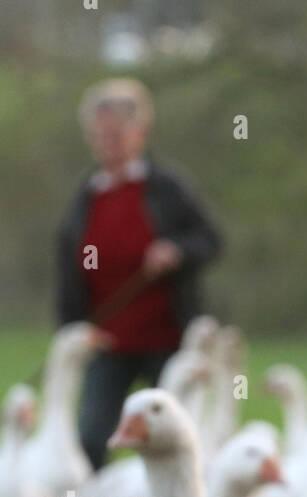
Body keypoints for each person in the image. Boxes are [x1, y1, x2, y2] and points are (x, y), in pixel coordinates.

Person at [56, 79, 223, 470]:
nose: (107, 142)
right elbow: (69, 270)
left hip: (166, 339)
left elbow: (211, 240)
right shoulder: (86, 197)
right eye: (100, 134)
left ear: (140, 132)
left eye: (116, 133)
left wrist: (176, 251)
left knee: (173, 439)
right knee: (92, 438)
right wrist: (71, 332)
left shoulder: (167, 188)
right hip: (107, 343)